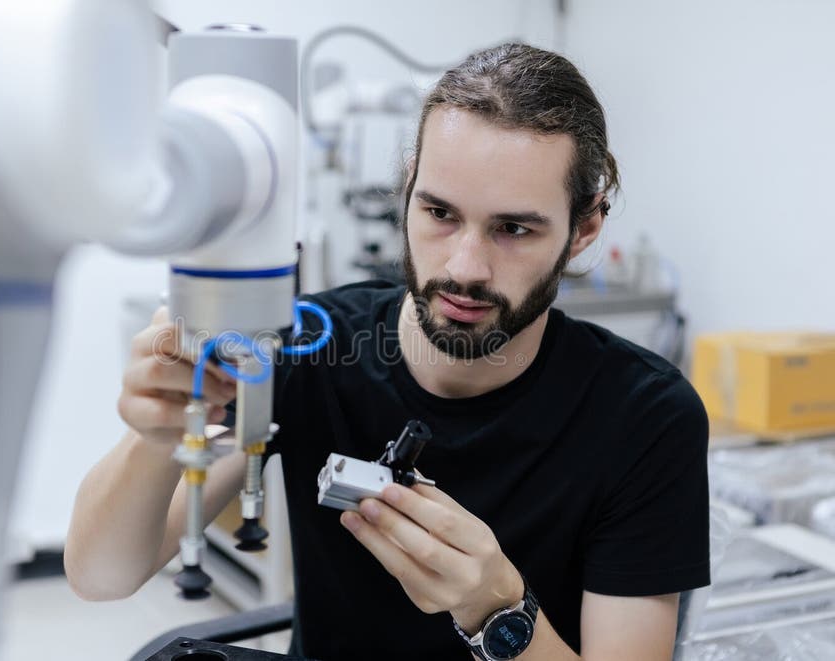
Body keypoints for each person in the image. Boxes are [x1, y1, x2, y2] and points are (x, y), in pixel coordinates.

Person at [65, 43, 710, 661]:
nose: (465, 267)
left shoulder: (645, 416)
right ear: (408, 189)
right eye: (440, 212)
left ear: (584, 229)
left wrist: (497, 612)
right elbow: (100, 575)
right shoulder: (308, 342)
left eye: (514, 229)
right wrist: (153, 436)